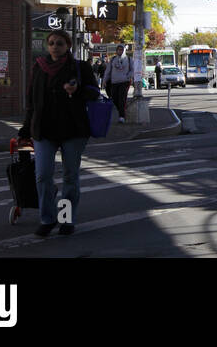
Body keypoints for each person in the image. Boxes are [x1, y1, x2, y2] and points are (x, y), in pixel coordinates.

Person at [19, 28, 100, 237]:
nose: (55, 46)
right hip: (44, 130)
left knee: (70, 177)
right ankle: (47, 219)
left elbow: (94, 93)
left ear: (68, 46)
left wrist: (78, 90)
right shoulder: (39, 67)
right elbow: (31, 101)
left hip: (73, 129)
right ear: (48, 46)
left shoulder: (80, 67)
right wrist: (26, 129)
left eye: (60, 43)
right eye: (52, 43)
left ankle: (66, 219)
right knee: (42, 175)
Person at [102, 46, 134, 123]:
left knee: (122, 98)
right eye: (119, 50)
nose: (120, 51)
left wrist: (128, 76)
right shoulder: (113, 59)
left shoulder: (129, 59)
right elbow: (108, 71)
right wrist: (104, 80)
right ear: (116, 51)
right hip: (114, 82)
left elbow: (133, 70)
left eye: (122, 50)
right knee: (114, 98)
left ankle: (121, 116)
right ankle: (122, 110)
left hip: (124, 82)